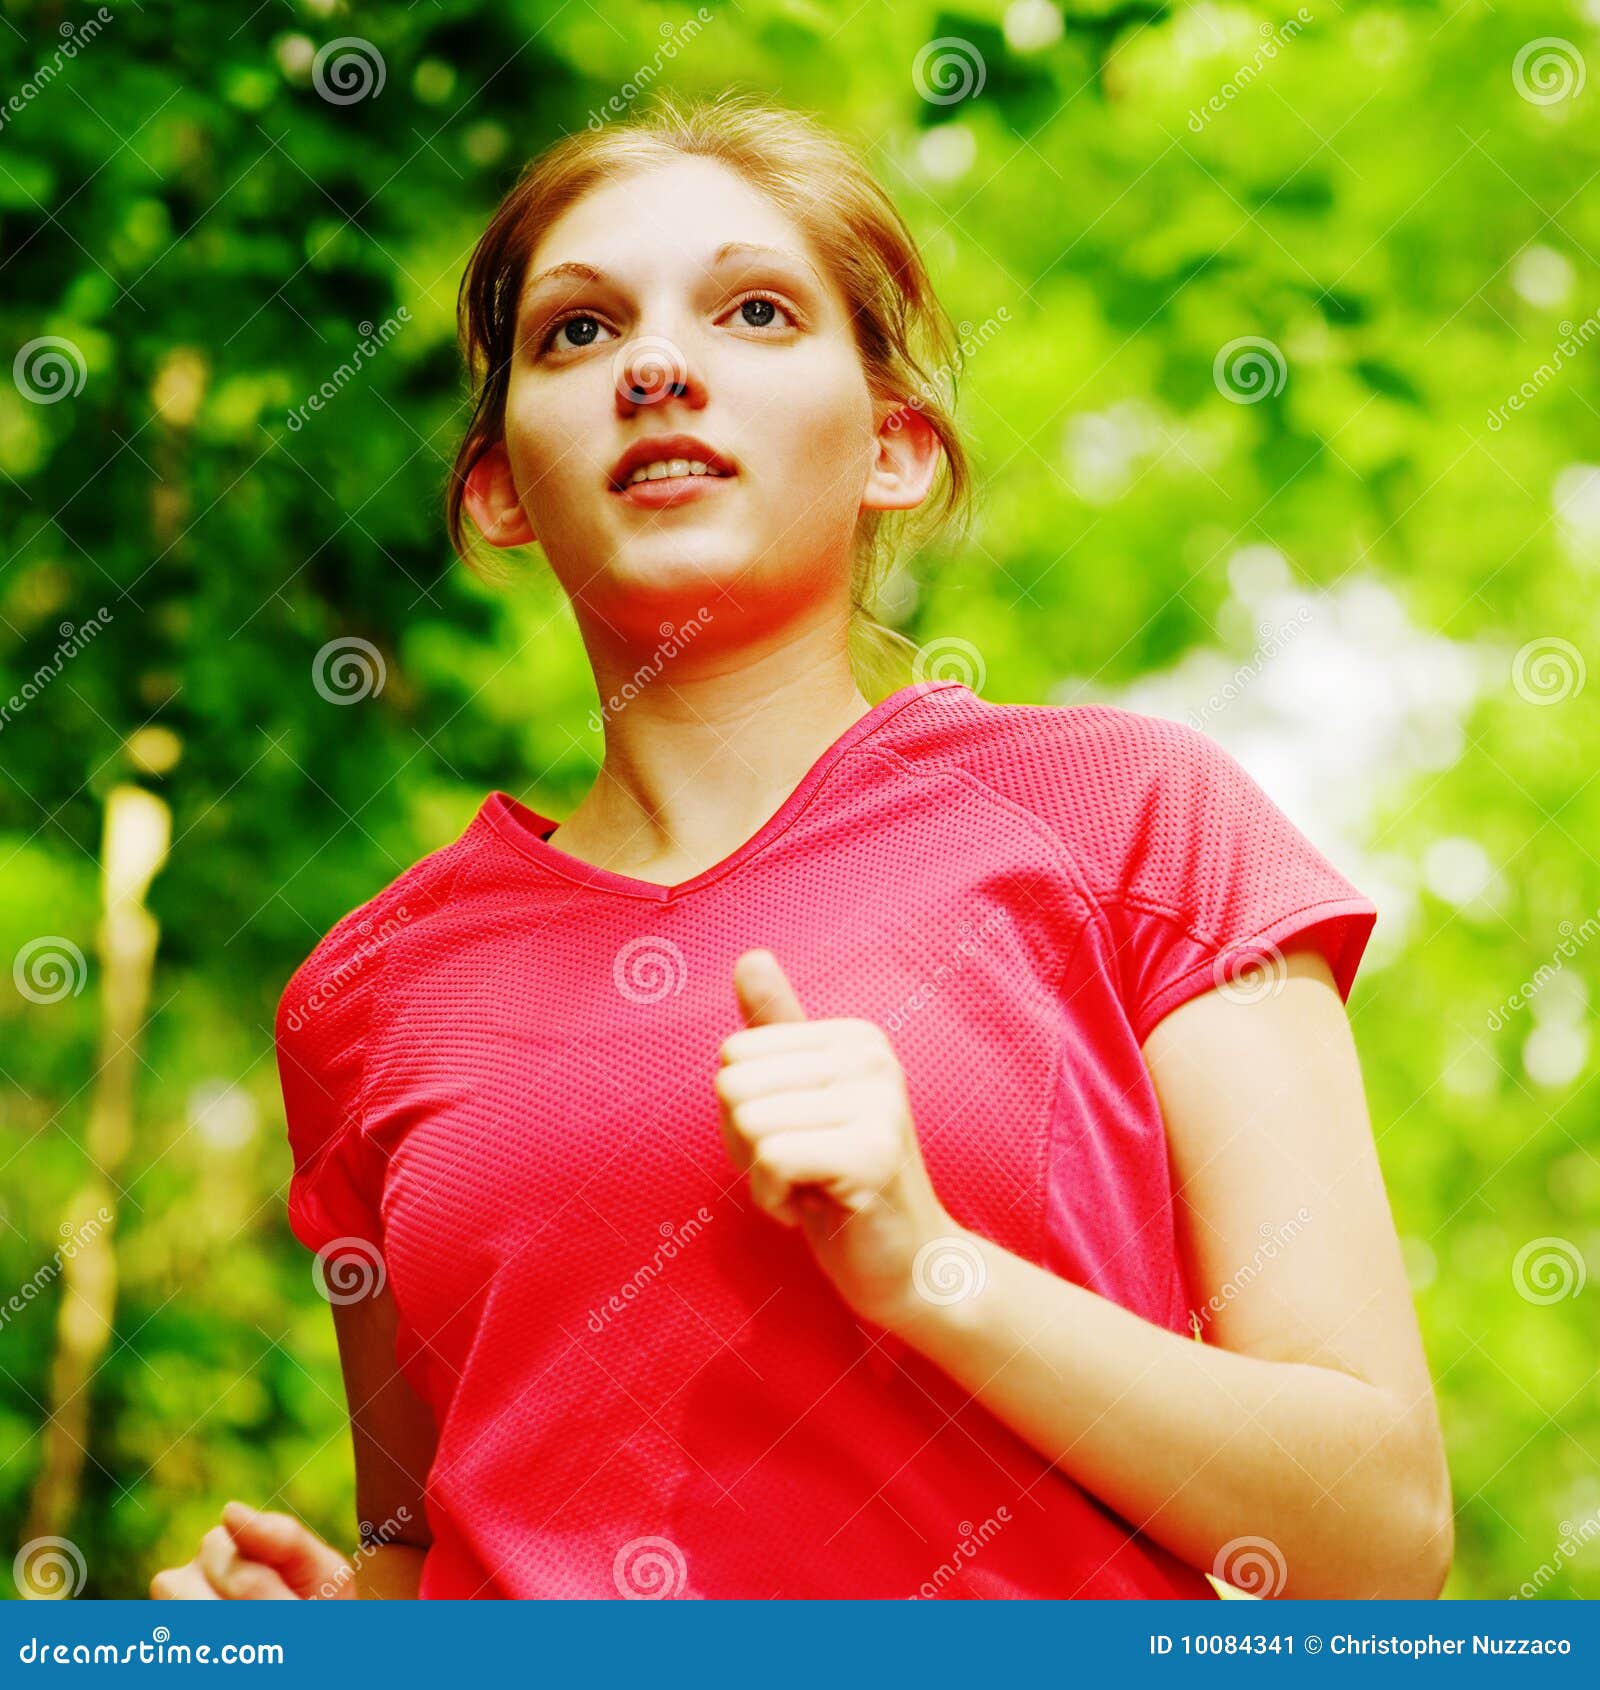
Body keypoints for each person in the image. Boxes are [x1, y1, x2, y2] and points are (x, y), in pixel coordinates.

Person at [151, 91, 1451, 1602]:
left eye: (754, 311)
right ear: (499, 488)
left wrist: (928, 1266)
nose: (652, 364)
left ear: (893, 446)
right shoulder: (364, 996)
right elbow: (414, 1545)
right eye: (575, 333)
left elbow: (1378, 1541)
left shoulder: (1135, 819)